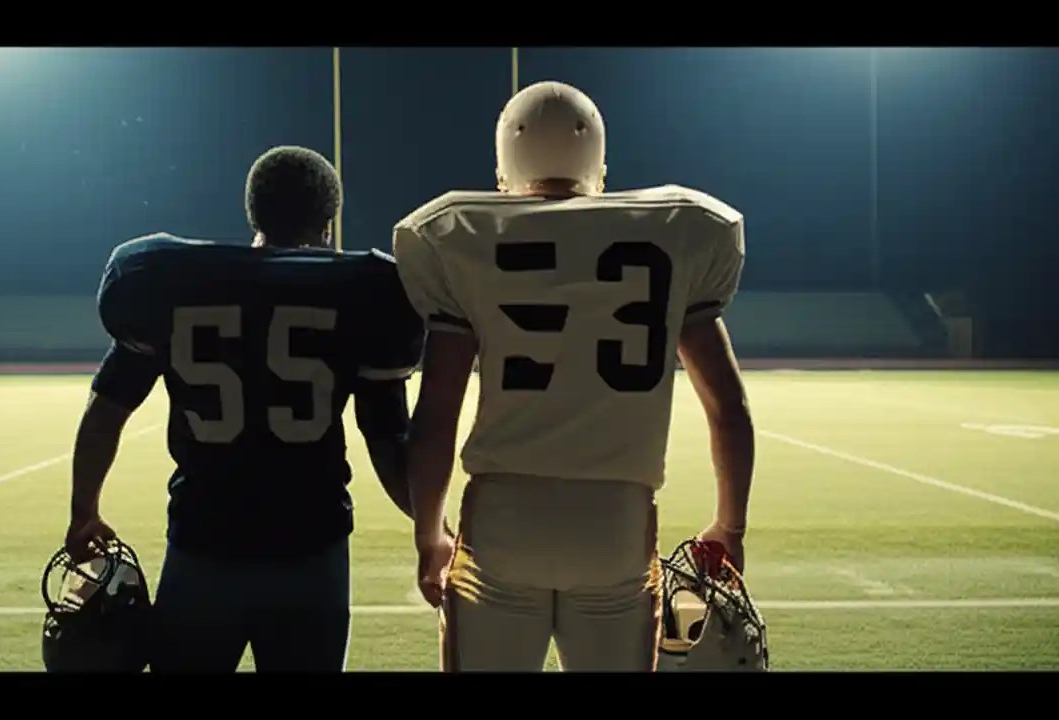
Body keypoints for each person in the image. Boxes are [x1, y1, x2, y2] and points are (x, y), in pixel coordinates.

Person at [393, 81, 754, 671]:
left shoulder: (464, 236)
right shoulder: (676, 232)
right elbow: (729, 408)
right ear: (601, 168)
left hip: (503, 522)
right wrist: (730, 524)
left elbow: (436, 414)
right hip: (617, 524)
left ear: (503, 171)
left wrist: (429, 533)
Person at [64, 145, 425, 672]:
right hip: (311, 548)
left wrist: (83, 511)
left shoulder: (171, 283)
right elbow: (387, 437)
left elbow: (107, 409)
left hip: (203, 544)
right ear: (329, 221)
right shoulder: (361, 295)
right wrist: (431, 527)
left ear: (252, 212)